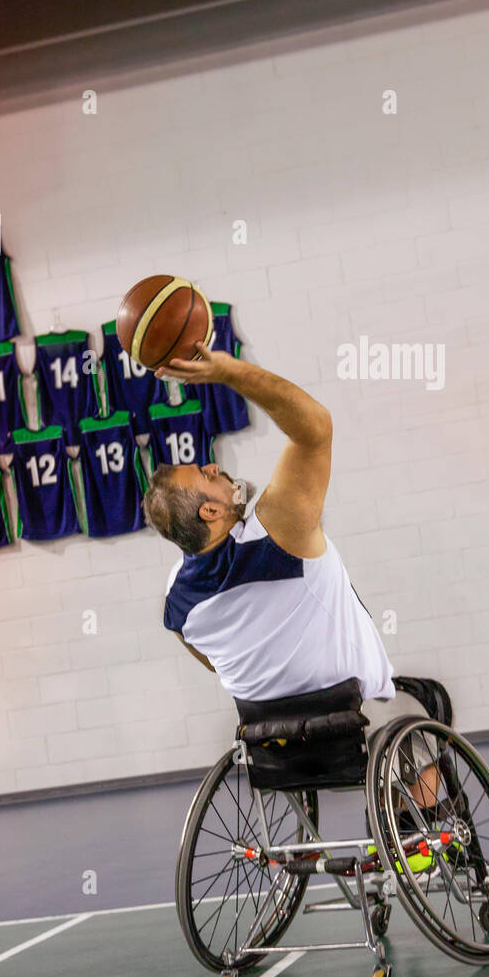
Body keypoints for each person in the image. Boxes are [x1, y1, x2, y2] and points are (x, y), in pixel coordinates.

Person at [142, 342, 440, 813]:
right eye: (206, 473)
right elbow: (315, 427)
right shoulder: (277, 533)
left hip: (272, 747)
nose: (215, 466)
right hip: (356, 724)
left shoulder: (176, 602)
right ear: (211, 511)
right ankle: (419, 834)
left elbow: (216, 664)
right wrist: (228, 372)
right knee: (425, 707)